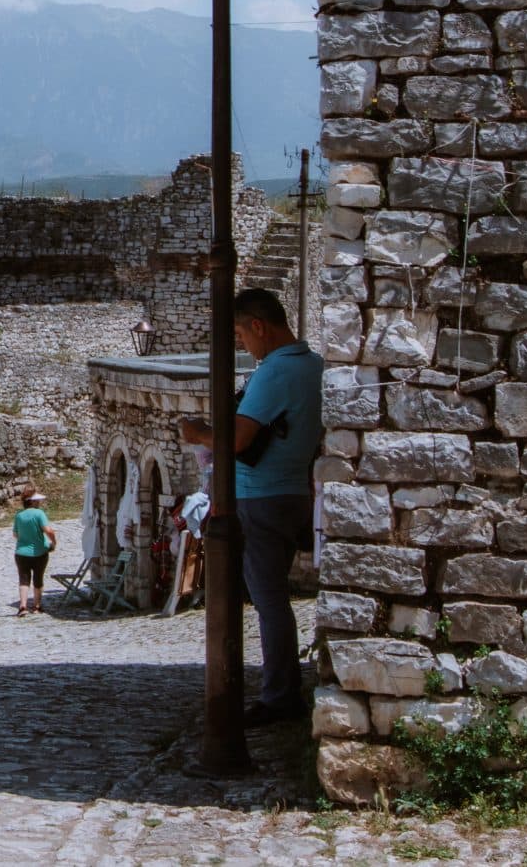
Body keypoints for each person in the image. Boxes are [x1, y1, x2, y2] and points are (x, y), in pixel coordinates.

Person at [180, 287, 323, 726]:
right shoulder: (314, 366)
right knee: (273, 596)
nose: (243, 343)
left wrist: (200, 432)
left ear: (259, 326)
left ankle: (280, 695)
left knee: (269, 600)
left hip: (262, 495)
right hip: (294, 490)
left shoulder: (275, 372)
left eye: (242, 334)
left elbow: (239, 439)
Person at [13, 490, 57, 616]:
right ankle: (37, 606)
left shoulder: (19, 515)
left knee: (23, 580)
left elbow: (15, 534)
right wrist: (53, 542)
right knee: (38, 579)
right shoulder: (39, 514)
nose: (39, 502)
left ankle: (22, 606)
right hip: (39, 552)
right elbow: (49, 530)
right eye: (37, 500)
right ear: (32, 501)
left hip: (21, 553)